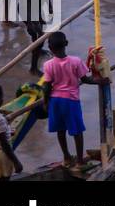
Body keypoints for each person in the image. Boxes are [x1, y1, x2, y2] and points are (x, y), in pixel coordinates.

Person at [42, 31, 108, 167]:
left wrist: (45, 101)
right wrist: (100, 81)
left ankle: (66, 157)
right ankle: (79, 160)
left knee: (61, 130)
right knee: (77, 131)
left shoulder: (48, 65)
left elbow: (46, 86)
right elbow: (85, 79)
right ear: (66, 44)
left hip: (55, 101)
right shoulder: (75, 61)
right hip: (70, 100)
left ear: (50, 48)